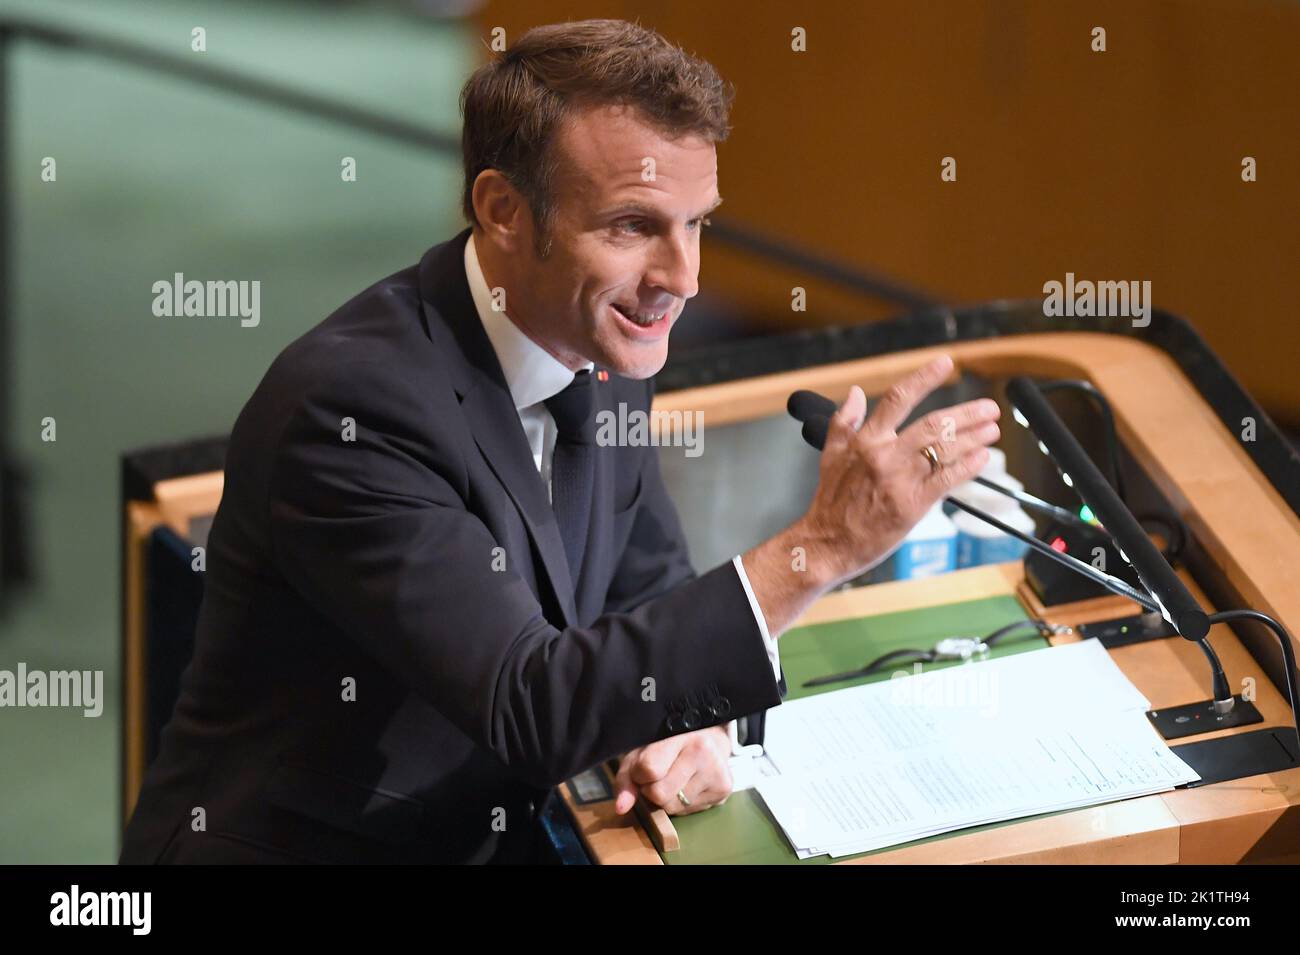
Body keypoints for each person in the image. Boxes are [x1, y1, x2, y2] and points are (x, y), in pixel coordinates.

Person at [120, 18, 1000, 864]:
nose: (684, 279)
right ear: (504, 210)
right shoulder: (352, 411)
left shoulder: (605, 342)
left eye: (698, 222)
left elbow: (639, 586)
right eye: (632, 226)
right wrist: (822, 547)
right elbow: (529, 699)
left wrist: (676, 725)